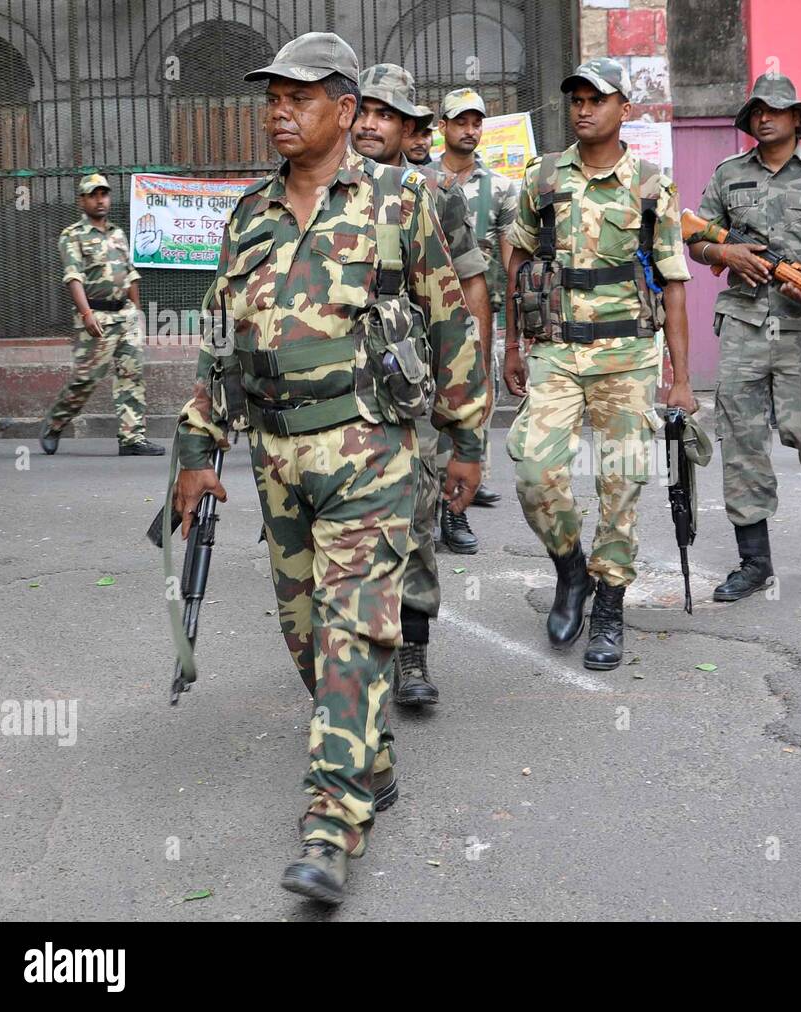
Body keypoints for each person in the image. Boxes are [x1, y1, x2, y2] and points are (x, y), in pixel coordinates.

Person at [171, 32, 485, 904]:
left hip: (370, 450)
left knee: (355, 630)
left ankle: (331, 821)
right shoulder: (249, 216)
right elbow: (217, 341)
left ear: (345, 111)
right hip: (276, 456)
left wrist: (465, 439)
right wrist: (198, 453)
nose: (280, 110)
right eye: (272, 96)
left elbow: (450, 321)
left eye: (300, 96)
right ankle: (368, 754)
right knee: (306, 634)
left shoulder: (399, 200)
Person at [504, 58, 696, 671]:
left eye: (597, 99)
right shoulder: (543, 180)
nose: (584, 109)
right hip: (556, 350)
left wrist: (682, 377)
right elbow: (517, 259)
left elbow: (673, 281)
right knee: (535, 474)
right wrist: (512, 344)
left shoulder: (649, 186)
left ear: (624, 110)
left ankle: (609, 602)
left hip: (629, 355)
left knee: (623, 482)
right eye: (576, 99)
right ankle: (570, 571)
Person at [687, 73, 801, 602]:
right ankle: (754, 562)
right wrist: (727, 254)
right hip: (743, 324)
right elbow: (697, 237)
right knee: (741, 440)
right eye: (757, 110)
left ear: (796, 119)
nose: (764, 117)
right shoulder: (727, 174)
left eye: (776, 109)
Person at [354, 63, 491, 708]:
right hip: (335, 401)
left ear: (410, 126)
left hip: (410, 390)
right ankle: (347, 662)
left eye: (387, 114)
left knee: (415, 520)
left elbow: (466, 288)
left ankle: (412, 656)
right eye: (365, 111)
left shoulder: (432, 193)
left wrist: (467, 390)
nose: (371, 125)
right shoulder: (315, 189)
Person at [434, 87, 521, 508]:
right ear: (443, 126)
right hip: (432, 300)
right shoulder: (425, 180)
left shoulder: (501, 189)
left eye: (476, 123)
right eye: (461, 122)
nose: (470, 131)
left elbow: (510, 260)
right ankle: (438, 478)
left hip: (478, 297)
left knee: (478, 382)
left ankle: (473, 468)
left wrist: (514, 321)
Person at [40, 174, 164, 457]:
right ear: (82, 200)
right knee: (86, 379)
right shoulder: (72, 235)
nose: (100, 200)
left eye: (104, 194)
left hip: (126, 316)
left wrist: (137, 310)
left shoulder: (117, 234)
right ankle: (55, 422)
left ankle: (132, 438)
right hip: (96, 316)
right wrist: (86, 314)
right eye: (93, 195)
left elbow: (131, 274)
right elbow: (73, 277)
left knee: (131, 375)